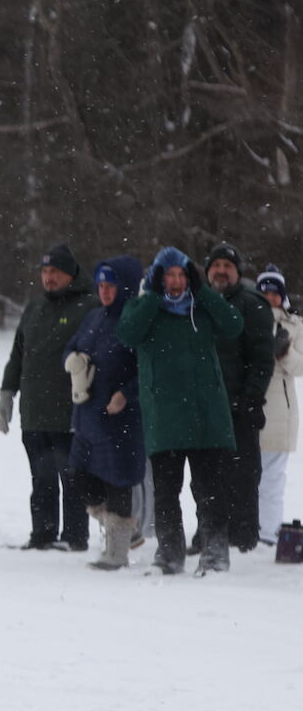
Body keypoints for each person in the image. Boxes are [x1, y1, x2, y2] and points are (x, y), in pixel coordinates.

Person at [116, 246, 244, 574]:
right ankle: (169, 554)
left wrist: (204, 293)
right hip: (165, 416)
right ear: (158, 278)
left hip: (207, 417)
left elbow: (233, 325)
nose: (176, 281)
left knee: (210, 490)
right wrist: (153, 297)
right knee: (166, 492)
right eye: (169, 275)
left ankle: (215, 552)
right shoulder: (143, 307)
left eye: (182, 275)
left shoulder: (201, 308)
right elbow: (128, 334)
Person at [0, 243, 95, 550]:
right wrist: (7, 392)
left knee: (72, 478)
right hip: (35, 412)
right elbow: (18, 355)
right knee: (41, 479)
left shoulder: (89, 307)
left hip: (71, 412)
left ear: (70, 274)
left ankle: (75, 536)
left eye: (55, 272)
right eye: (45, 271)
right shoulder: (34, 309)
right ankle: (42, 534)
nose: (49, 277)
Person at [62, 258, 145, 570]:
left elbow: (147, 369)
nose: (105, 291)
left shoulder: (134, 321)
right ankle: (119, 528)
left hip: (121, 418)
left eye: (111, 285)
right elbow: (70, 346)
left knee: (118, 482)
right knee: (77, 475)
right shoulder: (94, 317)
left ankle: (118, 551)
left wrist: (126, 394)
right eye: (101, 285)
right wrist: (71, 359)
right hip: (86, 417)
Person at [196, 243, 275, 552]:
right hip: (204, 406)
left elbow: (262, 359)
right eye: (215, 266)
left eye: (227, 266)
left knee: (242, 474)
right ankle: (207, 533)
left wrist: (251, 398)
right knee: (204, 476)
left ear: (238, 272)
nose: (221, 271)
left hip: (239, 405)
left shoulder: (252, 304)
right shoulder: (198, 304)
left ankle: (242, 537)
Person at [255, 267, 300, 545]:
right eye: (265, 291)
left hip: (280, 413)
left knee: (271, 480)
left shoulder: (295, 325)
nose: (270, 297)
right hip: (250, 406)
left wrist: (285, 353)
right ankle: (247, 529)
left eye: (275, 292)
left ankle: (268, 532)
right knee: (247, 478)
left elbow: (301, 366)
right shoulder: (246, 320)